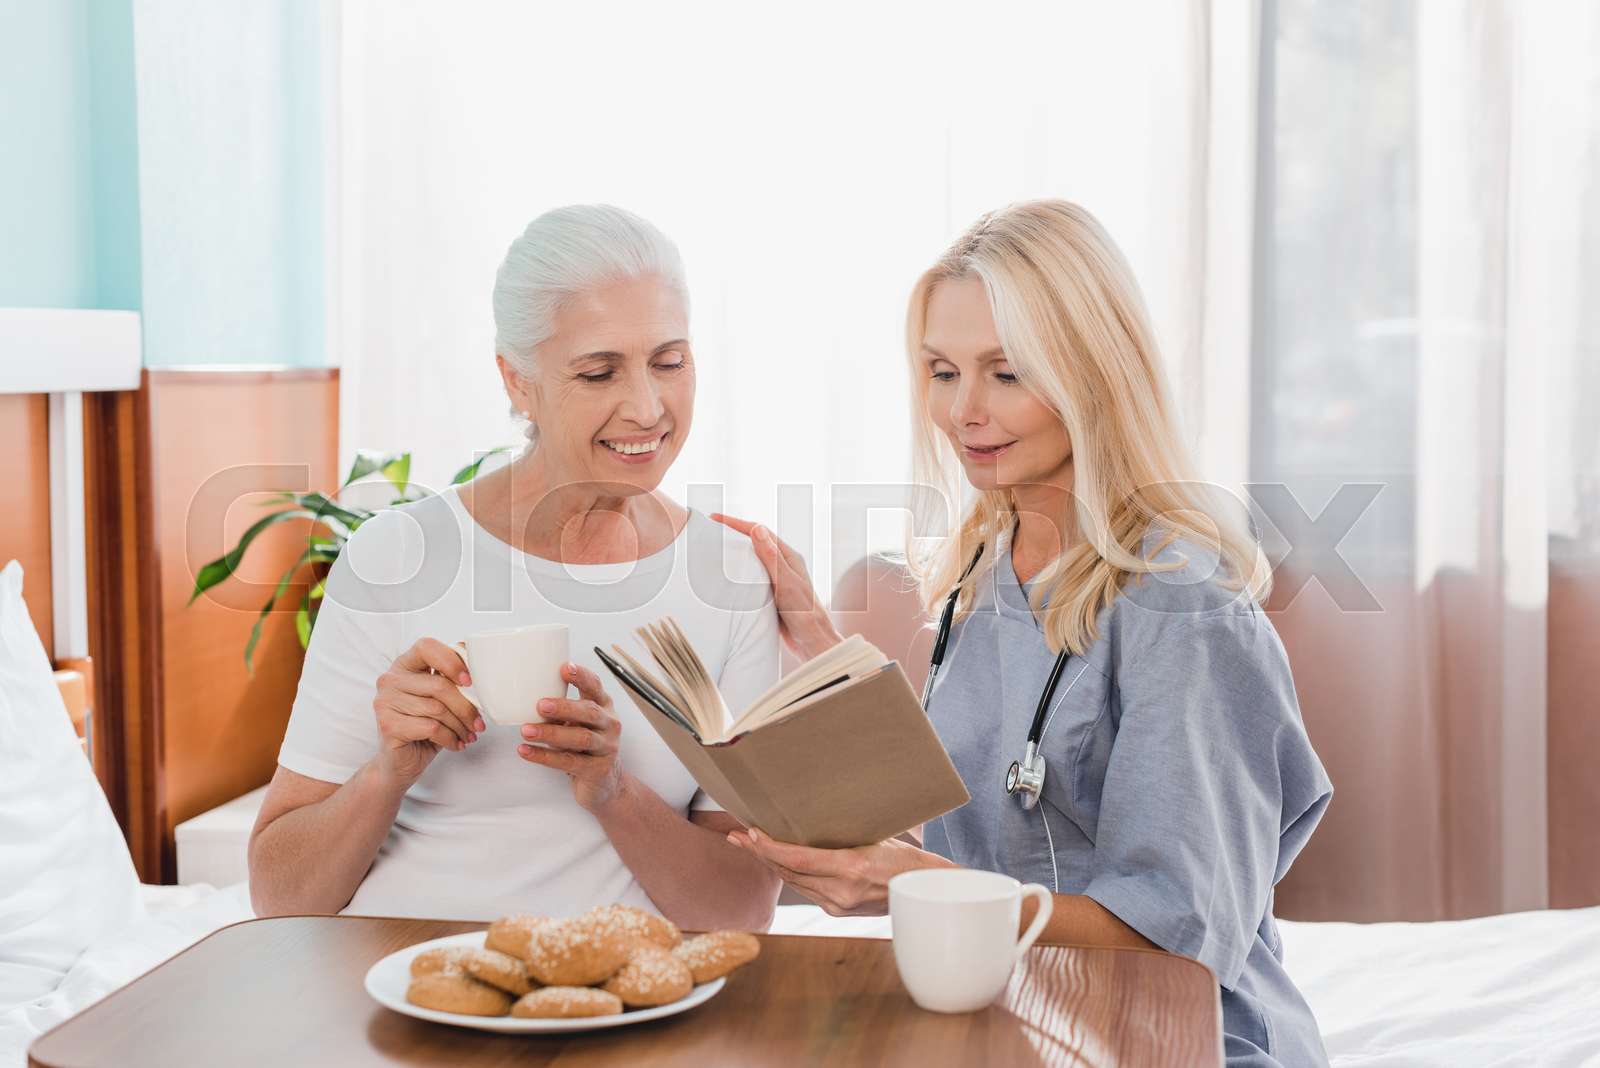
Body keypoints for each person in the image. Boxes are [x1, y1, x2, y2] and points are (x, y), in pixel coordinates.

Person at [713, 200, 1334, 1067]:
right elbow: (987, 819)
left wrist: (911, 888)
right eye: (941, 371)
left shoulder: (1184, 611)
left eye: (1006, 374)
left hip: (1169, 1037)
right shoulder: (988, 561)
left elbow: (1177, 936)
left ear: (1094, 375)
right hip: (1002, 1019)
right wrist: (820, 656)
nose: (964, 410)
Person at [249, 205, 781, 928]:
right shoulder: (396, 557)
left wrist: (613, 791)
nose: (648, 407)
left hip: (626, 1002)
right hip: (401, 990)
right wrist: (386, 774)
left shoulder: (731, 577)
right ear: (517, 381)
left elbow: (742, 908)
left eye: (670, 362)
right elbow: (280, 898)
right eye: (599, 372)